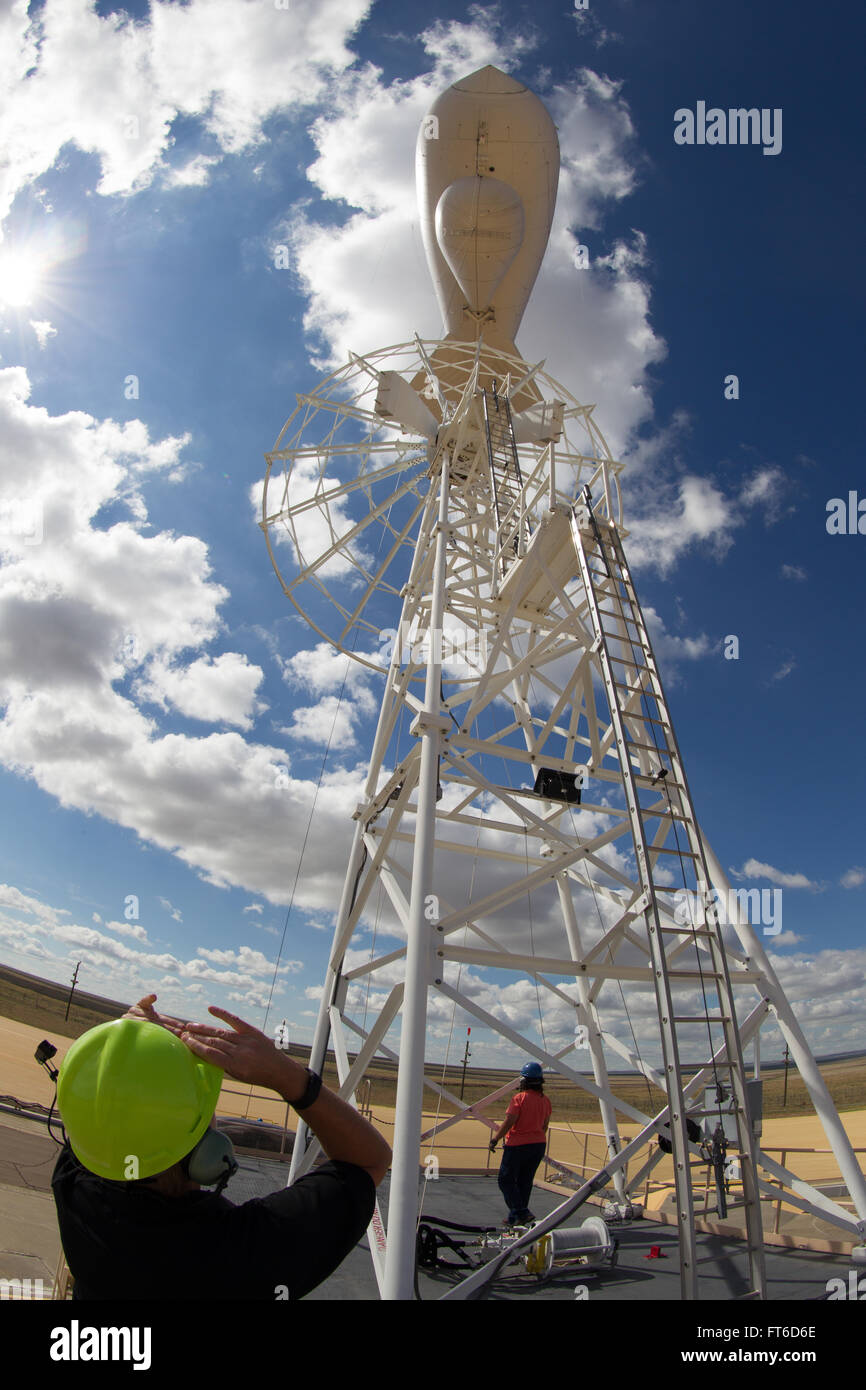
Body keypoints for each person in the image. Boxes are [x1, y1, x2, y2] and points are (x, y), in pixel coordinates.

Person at [51, 993, 391, 1300]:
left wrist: (123, 1043)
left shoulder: (73, 1187)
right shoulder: (240, 1254)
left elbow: (96, 1112)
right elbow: (368, 1161)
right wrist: (287, 1076)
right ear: (205, 1153)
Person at [489, 1061, 551, 1226]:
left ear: (525, 1081)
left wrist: (495, 1139)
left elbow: (509, 1122)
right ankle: (514, 1218)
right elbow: (545, 1126)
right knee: (524, 1182)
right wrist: (534, 1138)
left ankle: (522, 1213)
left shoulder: (519, 1098)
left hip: (517, 1146)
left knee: (505, 1180)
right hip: (538, 1145)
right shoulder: (545, 1101)